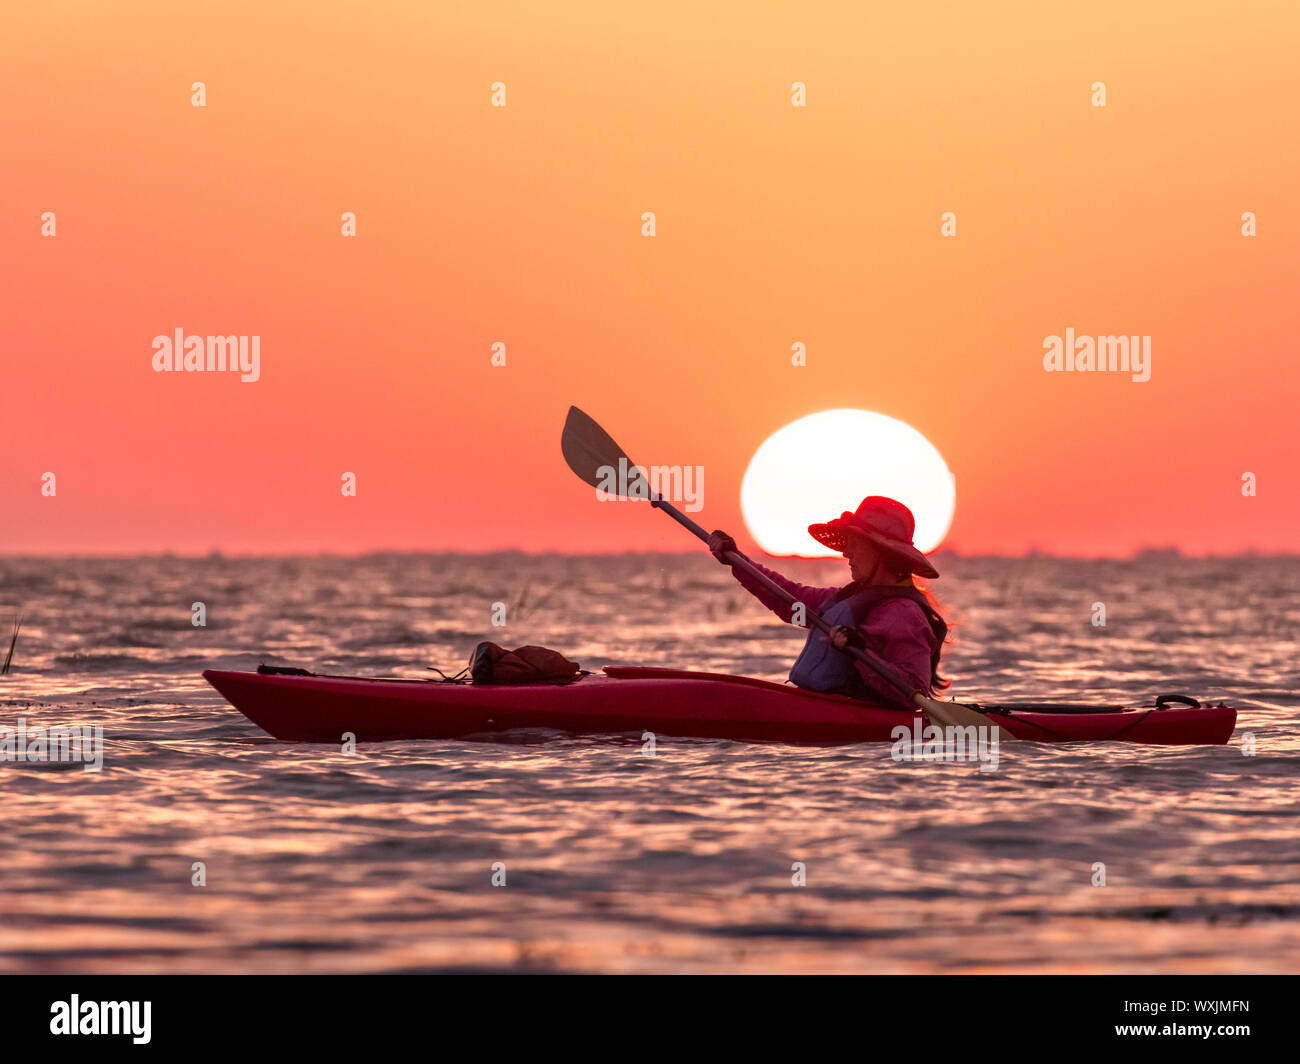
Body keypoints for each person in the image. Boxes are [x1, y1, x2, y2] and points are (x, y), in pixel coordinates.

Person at [707, 496, 948, 704]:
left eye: (855, 544)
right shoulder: (845, 598)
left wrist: (860, 652)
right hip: (818, 705)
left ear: (880, 552)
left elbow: (913, 692)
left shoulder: (905, 614)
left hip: (860, 728)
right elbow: (790, 602)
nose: (846, 553)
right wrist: (736, 560)